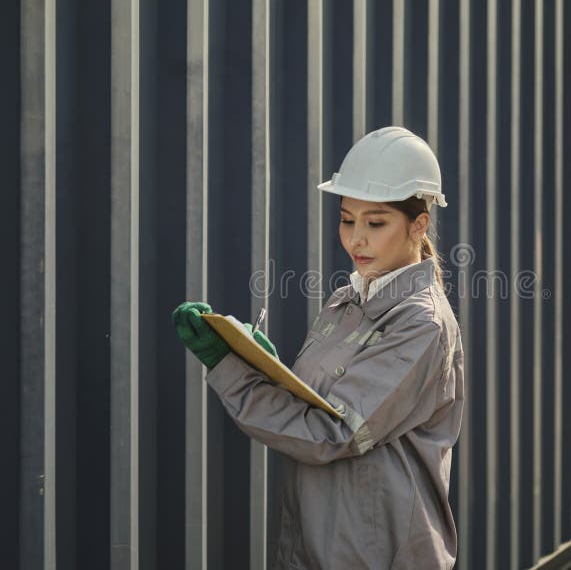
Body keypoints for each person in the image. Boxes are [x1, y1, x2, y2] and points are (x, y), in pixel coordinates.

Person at [172, 126, 465, 569]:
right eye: (348, 219)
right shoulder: (347, 300)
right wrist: (255, 360)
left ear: (418, 225)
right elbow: (315, 403)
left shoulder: (421, 324)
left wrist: (228, 369)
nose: (356, 239)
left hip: (378, 555)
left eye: (376, 222)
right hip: (317, 542)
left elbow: (334, 432)